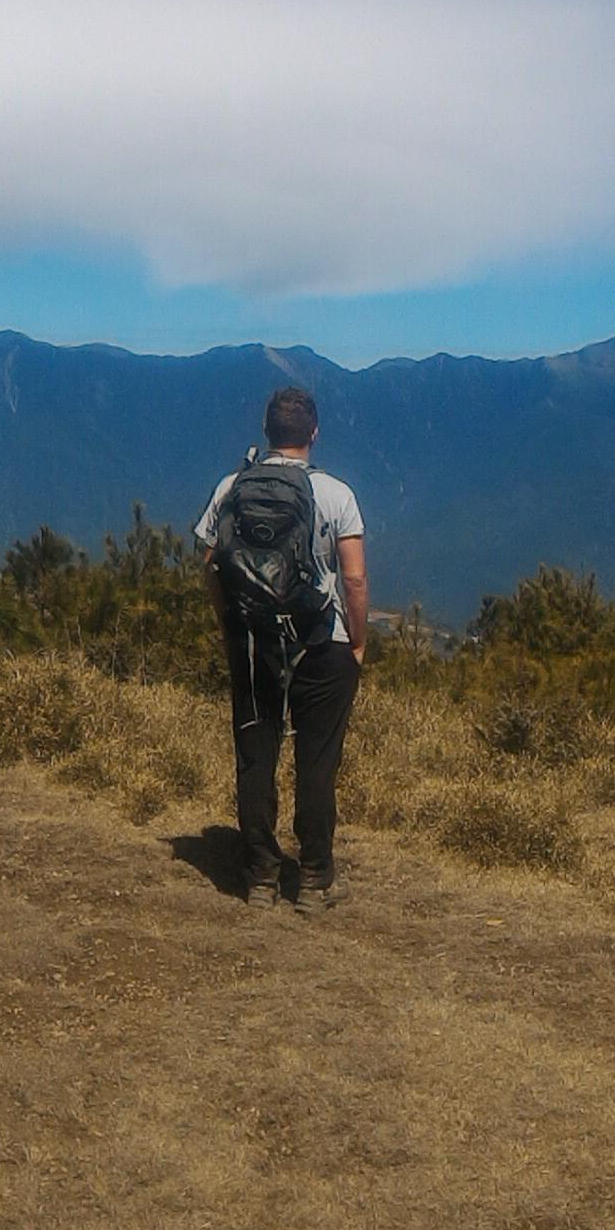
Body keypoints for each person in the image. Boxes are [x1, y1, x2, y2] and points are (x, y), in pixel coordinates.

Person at [201, 386, 375, 907]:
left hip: (255, 640)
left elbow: (209, 564)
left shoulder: (232, 487)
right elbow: (356, 579)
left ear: (267, 431)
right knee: (317, 761)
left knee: (257, 754)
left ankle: (259, 874)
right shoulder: (337, 495)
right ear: (314, 433)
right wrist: (359, 643)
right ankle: (315, 876)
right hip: (322, 642)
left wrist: (230, 623)